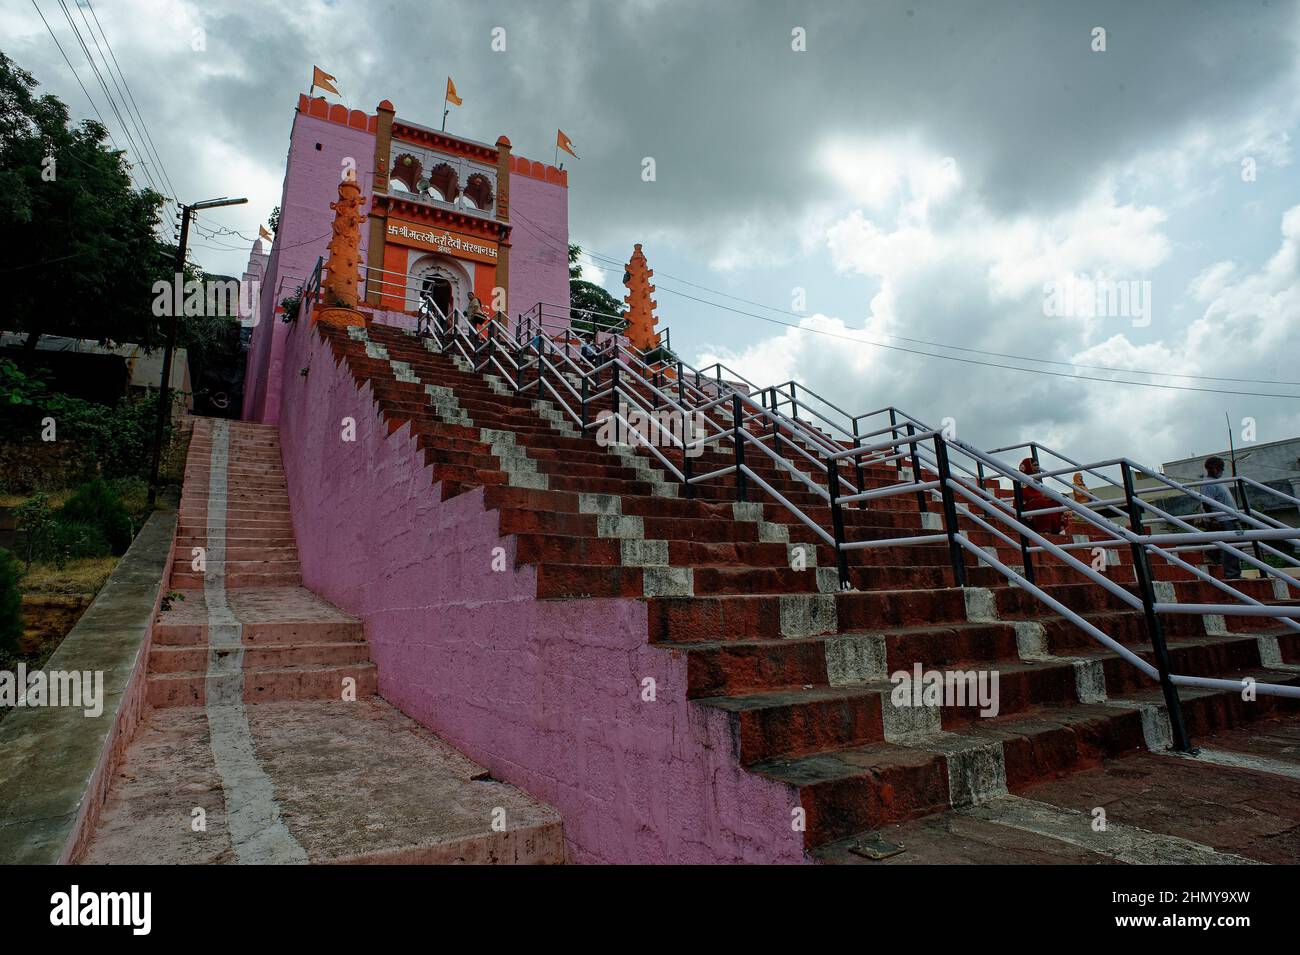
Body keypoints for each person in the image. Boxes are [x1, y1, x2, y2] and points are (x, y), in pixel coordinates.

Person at [1200, 455, 1242, 579]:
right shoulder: (1208, 483)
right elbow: (1206, 502)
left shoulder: (1217, 482)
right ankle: (1232, 575)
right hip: (1222, 520)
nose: (1221, 471)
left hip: (1229, 518)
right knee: (1231, 549)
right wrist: (1213, 519)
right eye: (1220, 468)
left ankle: (1211, 555)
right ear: (1213, 468)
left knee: (1237, 545)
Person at [1016, 457, 1066, 536]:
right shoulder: (1022, 478)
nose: (1037, 467)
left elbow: (1040, 492)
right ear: (1028, 466)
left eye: (1037, 465)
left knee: (1056, 501)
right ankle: (1043, 530)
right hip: (1027, 504)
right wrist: (1042, 496)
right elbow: (1026, 495)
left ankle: (1058, 529)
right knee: (1042, 501)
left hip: (1038, 500)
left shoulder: (1036, 478)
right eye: (1035, 465)